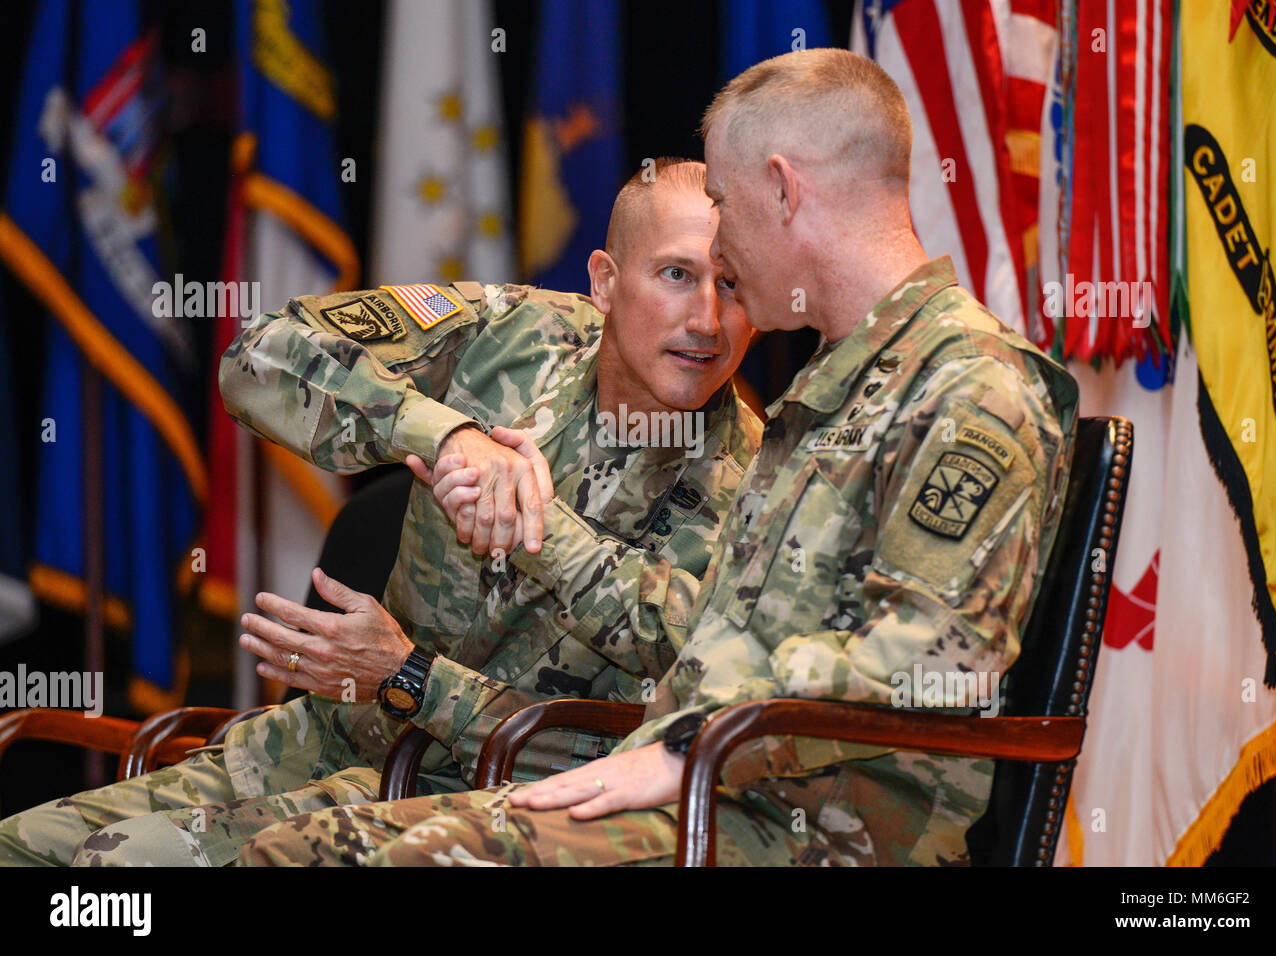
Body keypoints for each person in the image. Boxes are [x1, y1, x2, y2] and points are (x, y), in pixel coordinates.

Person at [238, 48, 1080, 867]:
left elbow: (941, 657)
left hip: (801, 827)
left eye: (724, 199)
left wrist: (683, 745)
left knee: (321, 860)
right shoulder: (836, 386)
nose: (720, 259)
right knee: (291, 850)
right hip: (703, 791)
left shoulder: (970, 386)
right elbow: (709, 633)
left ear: (783, 189)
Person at [0, 158, 761, 866]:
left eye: (732, 285)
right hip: (328, 735)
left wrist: (409, 675)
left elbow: (668, 750)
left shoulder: (757, 483)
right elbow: (260, 358)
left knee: (118, 870)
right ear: (605, 280)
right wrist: (448, 434)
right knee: (26, 846)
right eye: (675, 274)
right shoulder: (511, 335)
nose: (706, 319)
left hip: (471, 805)